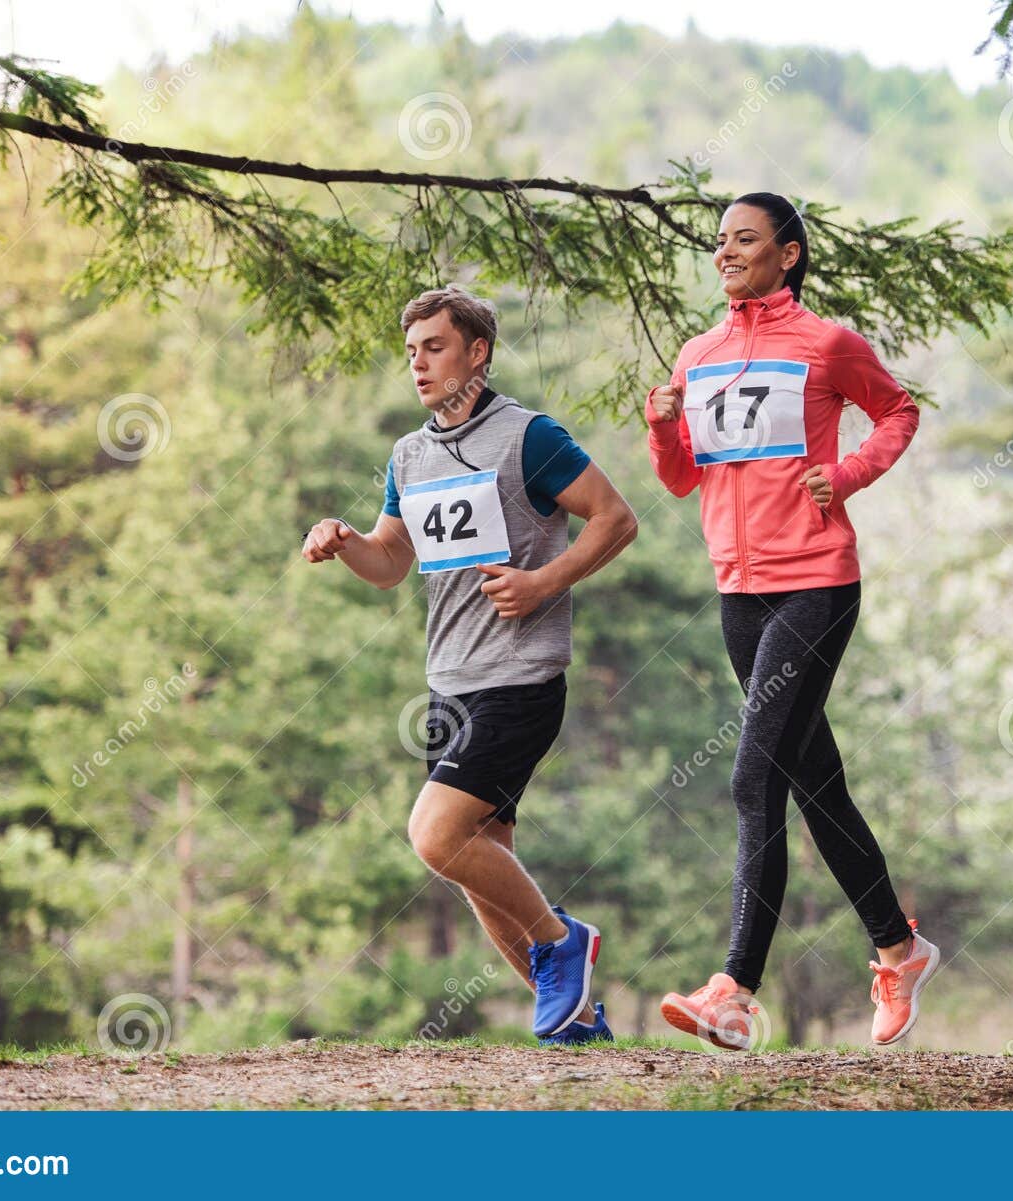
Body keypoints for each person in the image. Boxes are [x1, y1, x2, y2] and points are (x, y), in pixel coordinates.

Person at [304, 284, 637, 1045]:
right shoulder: (410, 455)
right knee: (483, 865)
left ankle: (563, 942)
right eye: (412, 350)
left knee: (436, 835)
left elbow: (617, 518)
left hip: (520, 679)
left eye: (436, 347)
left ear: (477, 352)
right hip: (447, 685)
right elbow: (391, 561)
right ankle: (580, 1025)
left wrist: (543, 581)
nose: (419, 364)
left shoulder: (529, 437)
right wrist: (344, 538)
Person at [645, 192, 938, 1050]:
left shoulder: (826, 343)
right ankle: (899, 945)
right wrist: (663, 430)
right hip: (740, 591)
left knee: (752, 776)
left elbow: (898, 411)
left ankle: (733, 988)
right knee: (816, 782)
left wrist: (845, 476)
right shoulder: (698, 353)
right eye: (720, 241)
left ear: (790, 253)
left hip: (816, 581)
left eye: (745, 240)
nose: (725, 252)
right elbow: (682, 478)